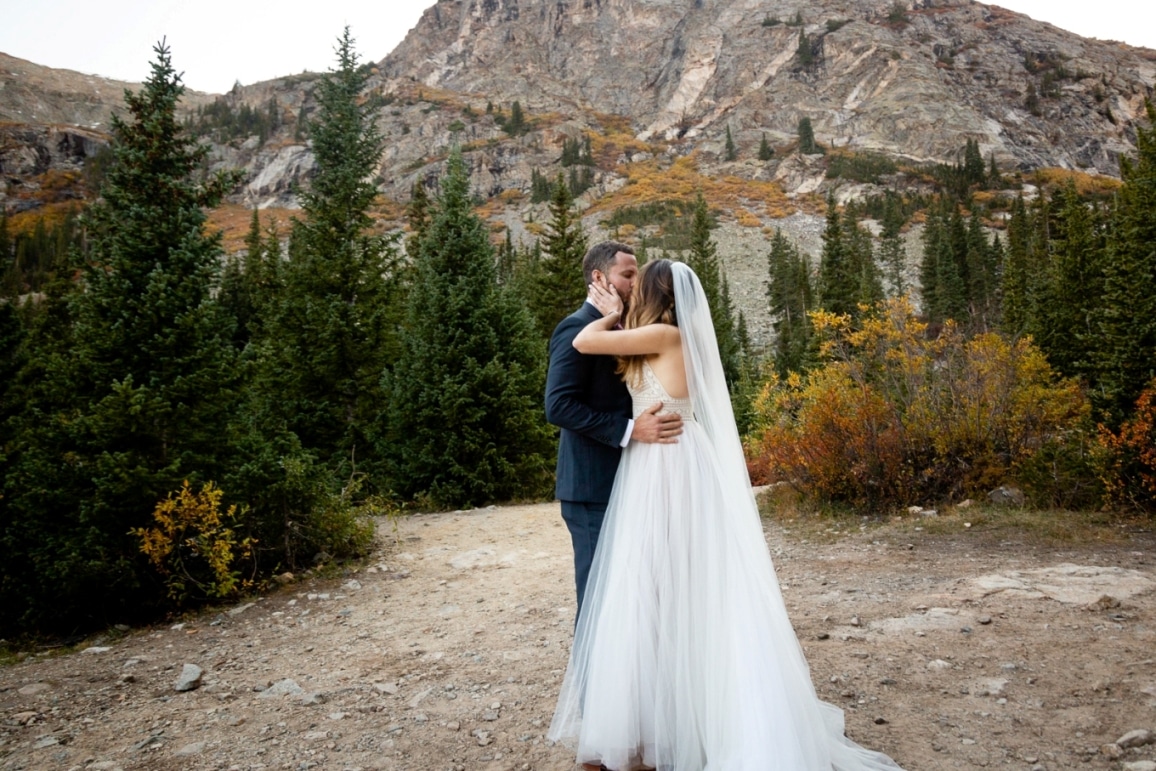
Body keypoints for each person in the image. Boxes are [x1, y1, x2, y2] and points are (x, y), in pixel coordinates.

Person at [548, 259, 904, 771]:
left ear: (653, 295)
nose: (631, 288)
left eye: (638, 282)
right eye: (626, 277)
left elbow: (587, 343)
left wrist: (607, 315)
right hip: (666, 462)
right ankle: (663, 717)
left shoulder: (664, 336)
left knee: (660, 585)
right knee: (667, 587)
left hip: (665, 466)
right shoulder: (669, 336)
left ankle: (656, 723)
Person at [545, 242, 684, 619]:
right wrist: (630, 430)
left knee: (631, 596)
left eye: (637, 274)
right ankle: (590, 662)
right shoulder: (575, 327)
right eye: (627, 274)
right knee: (599, 595)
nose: (635, 282)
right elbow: (558, 406)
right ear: (599, 277)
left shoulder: (633, 328)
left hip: (634, 479)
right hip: (593, 484)